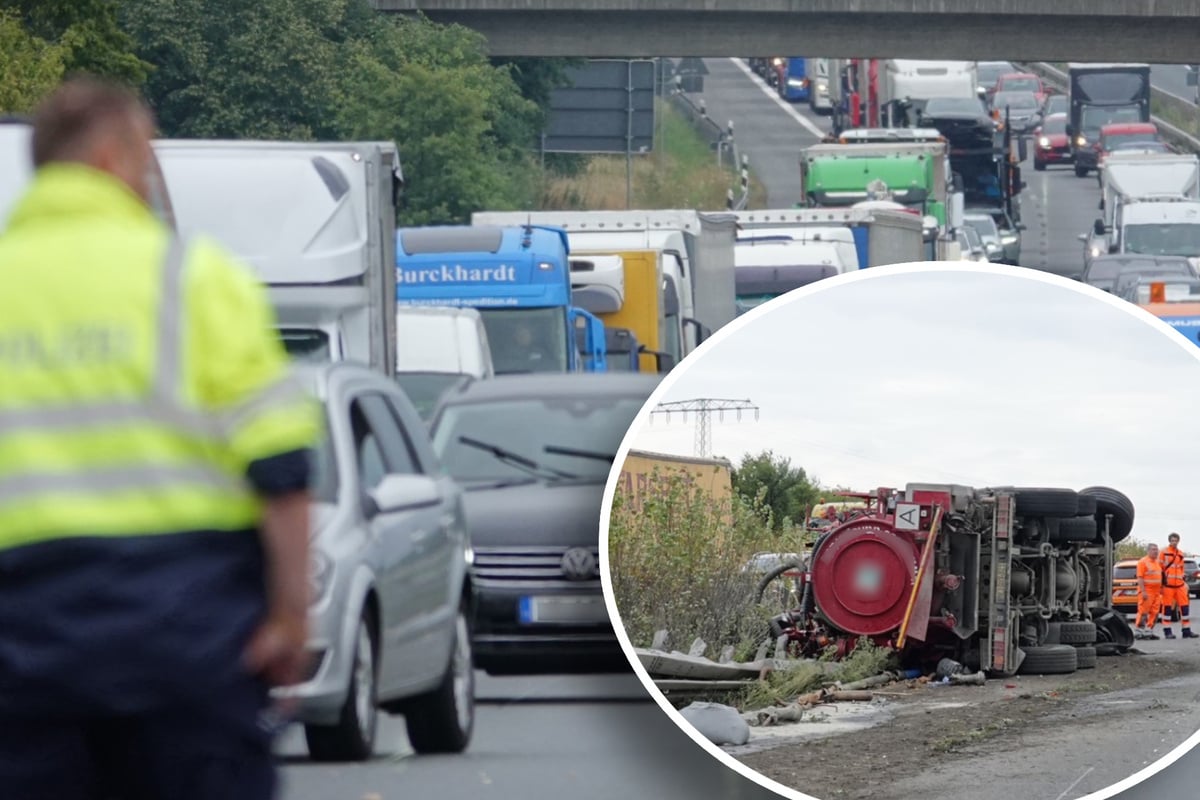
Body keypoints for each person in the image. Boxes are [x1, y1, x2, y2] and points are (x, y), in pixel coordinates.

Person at [0, 77, 321, 799]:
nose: (150, 179)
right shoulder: (192, 278)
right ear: (114, 158)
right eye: (148, 159)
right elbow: (281, 467)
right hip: (190, 640)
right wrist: (289, 618)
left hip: (21, 651)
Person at [1159, 532, 1196, 639]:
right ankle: (1167, 631)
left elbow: (1181, 569)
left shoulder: (1180, 553)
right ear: (1169, 541)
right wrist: (1161, 585)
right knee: (1167, 609)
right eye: (1172, 540)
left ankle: (1186, 630)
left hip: (1179, 585)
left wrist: (1184, 582)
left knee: (1184, 608)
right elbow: (1159, 568)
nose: (1174, 542)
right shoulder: (1164, 552)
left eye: (1176, 540)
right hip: (1168, 586)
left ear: (1178, 541)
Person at [1134, 543, 1164, 640]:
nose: (1156, 551)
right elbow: (1140, 577)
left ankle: (1149, 631)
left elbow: (1160, 577)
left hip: (1156, 592)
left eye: (1156, 549)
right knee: (1143, 612)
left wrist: (1161, 589)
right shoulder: (1143, 562)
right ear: (1148, 551)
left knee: (1154, 612)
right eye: (1153, 549)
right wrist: (1143, 591)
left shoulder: (1157, 562)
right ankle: (1139, 631)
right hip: (1147, 591)